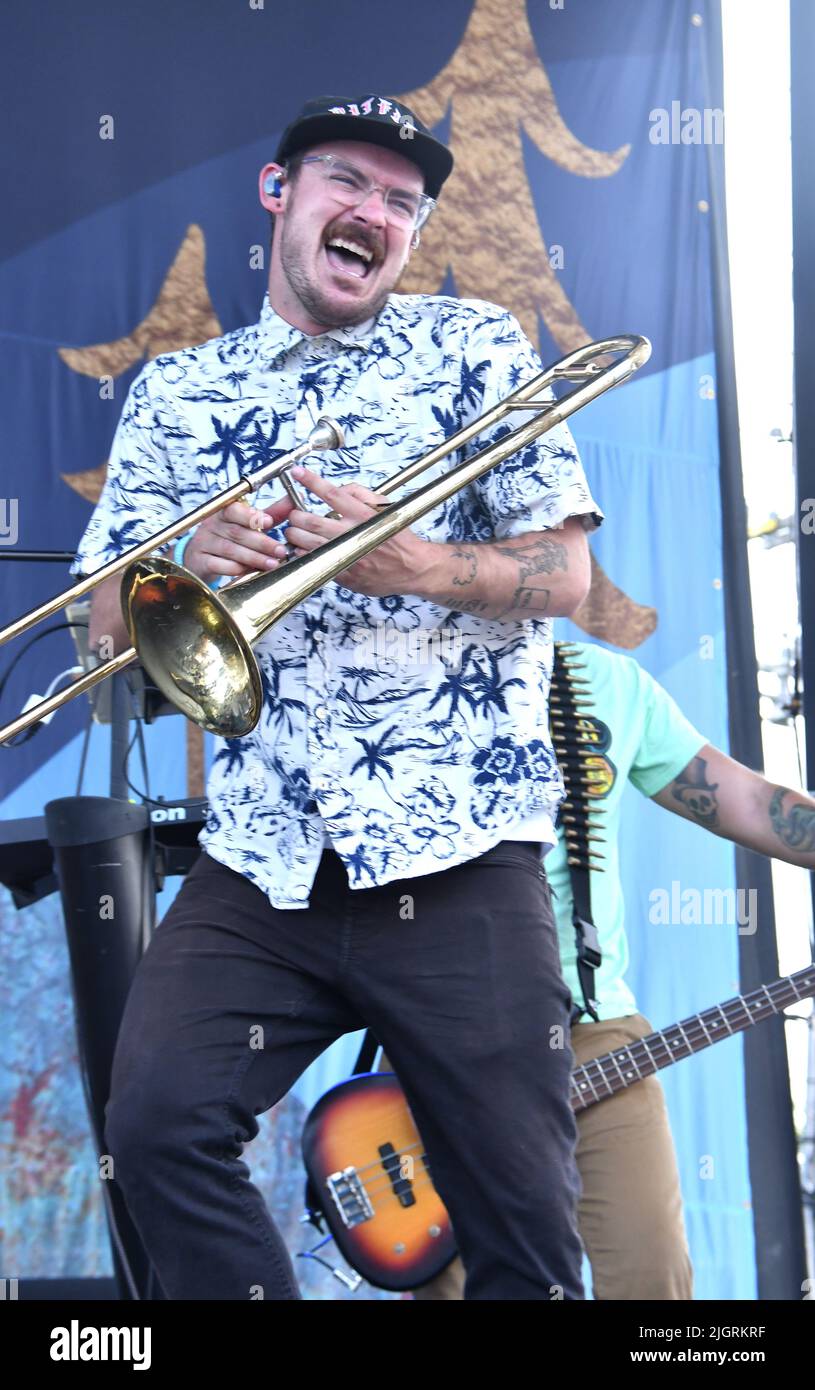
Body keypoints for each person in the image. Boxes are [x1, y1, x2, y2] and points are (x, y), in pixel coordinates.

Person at [72, 93, 604, 1300]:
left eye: (400, 204)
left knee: (521, 1221)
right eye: (345, 185)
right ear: (279, 196)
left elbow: (564, 576)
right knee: (155, 1121)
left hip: (458, 848)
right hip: (264, 856)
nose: (372, 213)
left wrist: (418, 564)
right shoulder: (175, 395)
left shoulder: (474, 349)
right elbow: (96, 621)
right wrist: (185, 561)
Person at [410, 637, 815, 1300]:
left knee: (650, 1278)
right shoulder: (383, 669)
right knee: (452, 1288)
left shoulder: (608, 681)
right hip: (441, 1039)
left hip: (594, 1029)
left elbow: (742, 799)